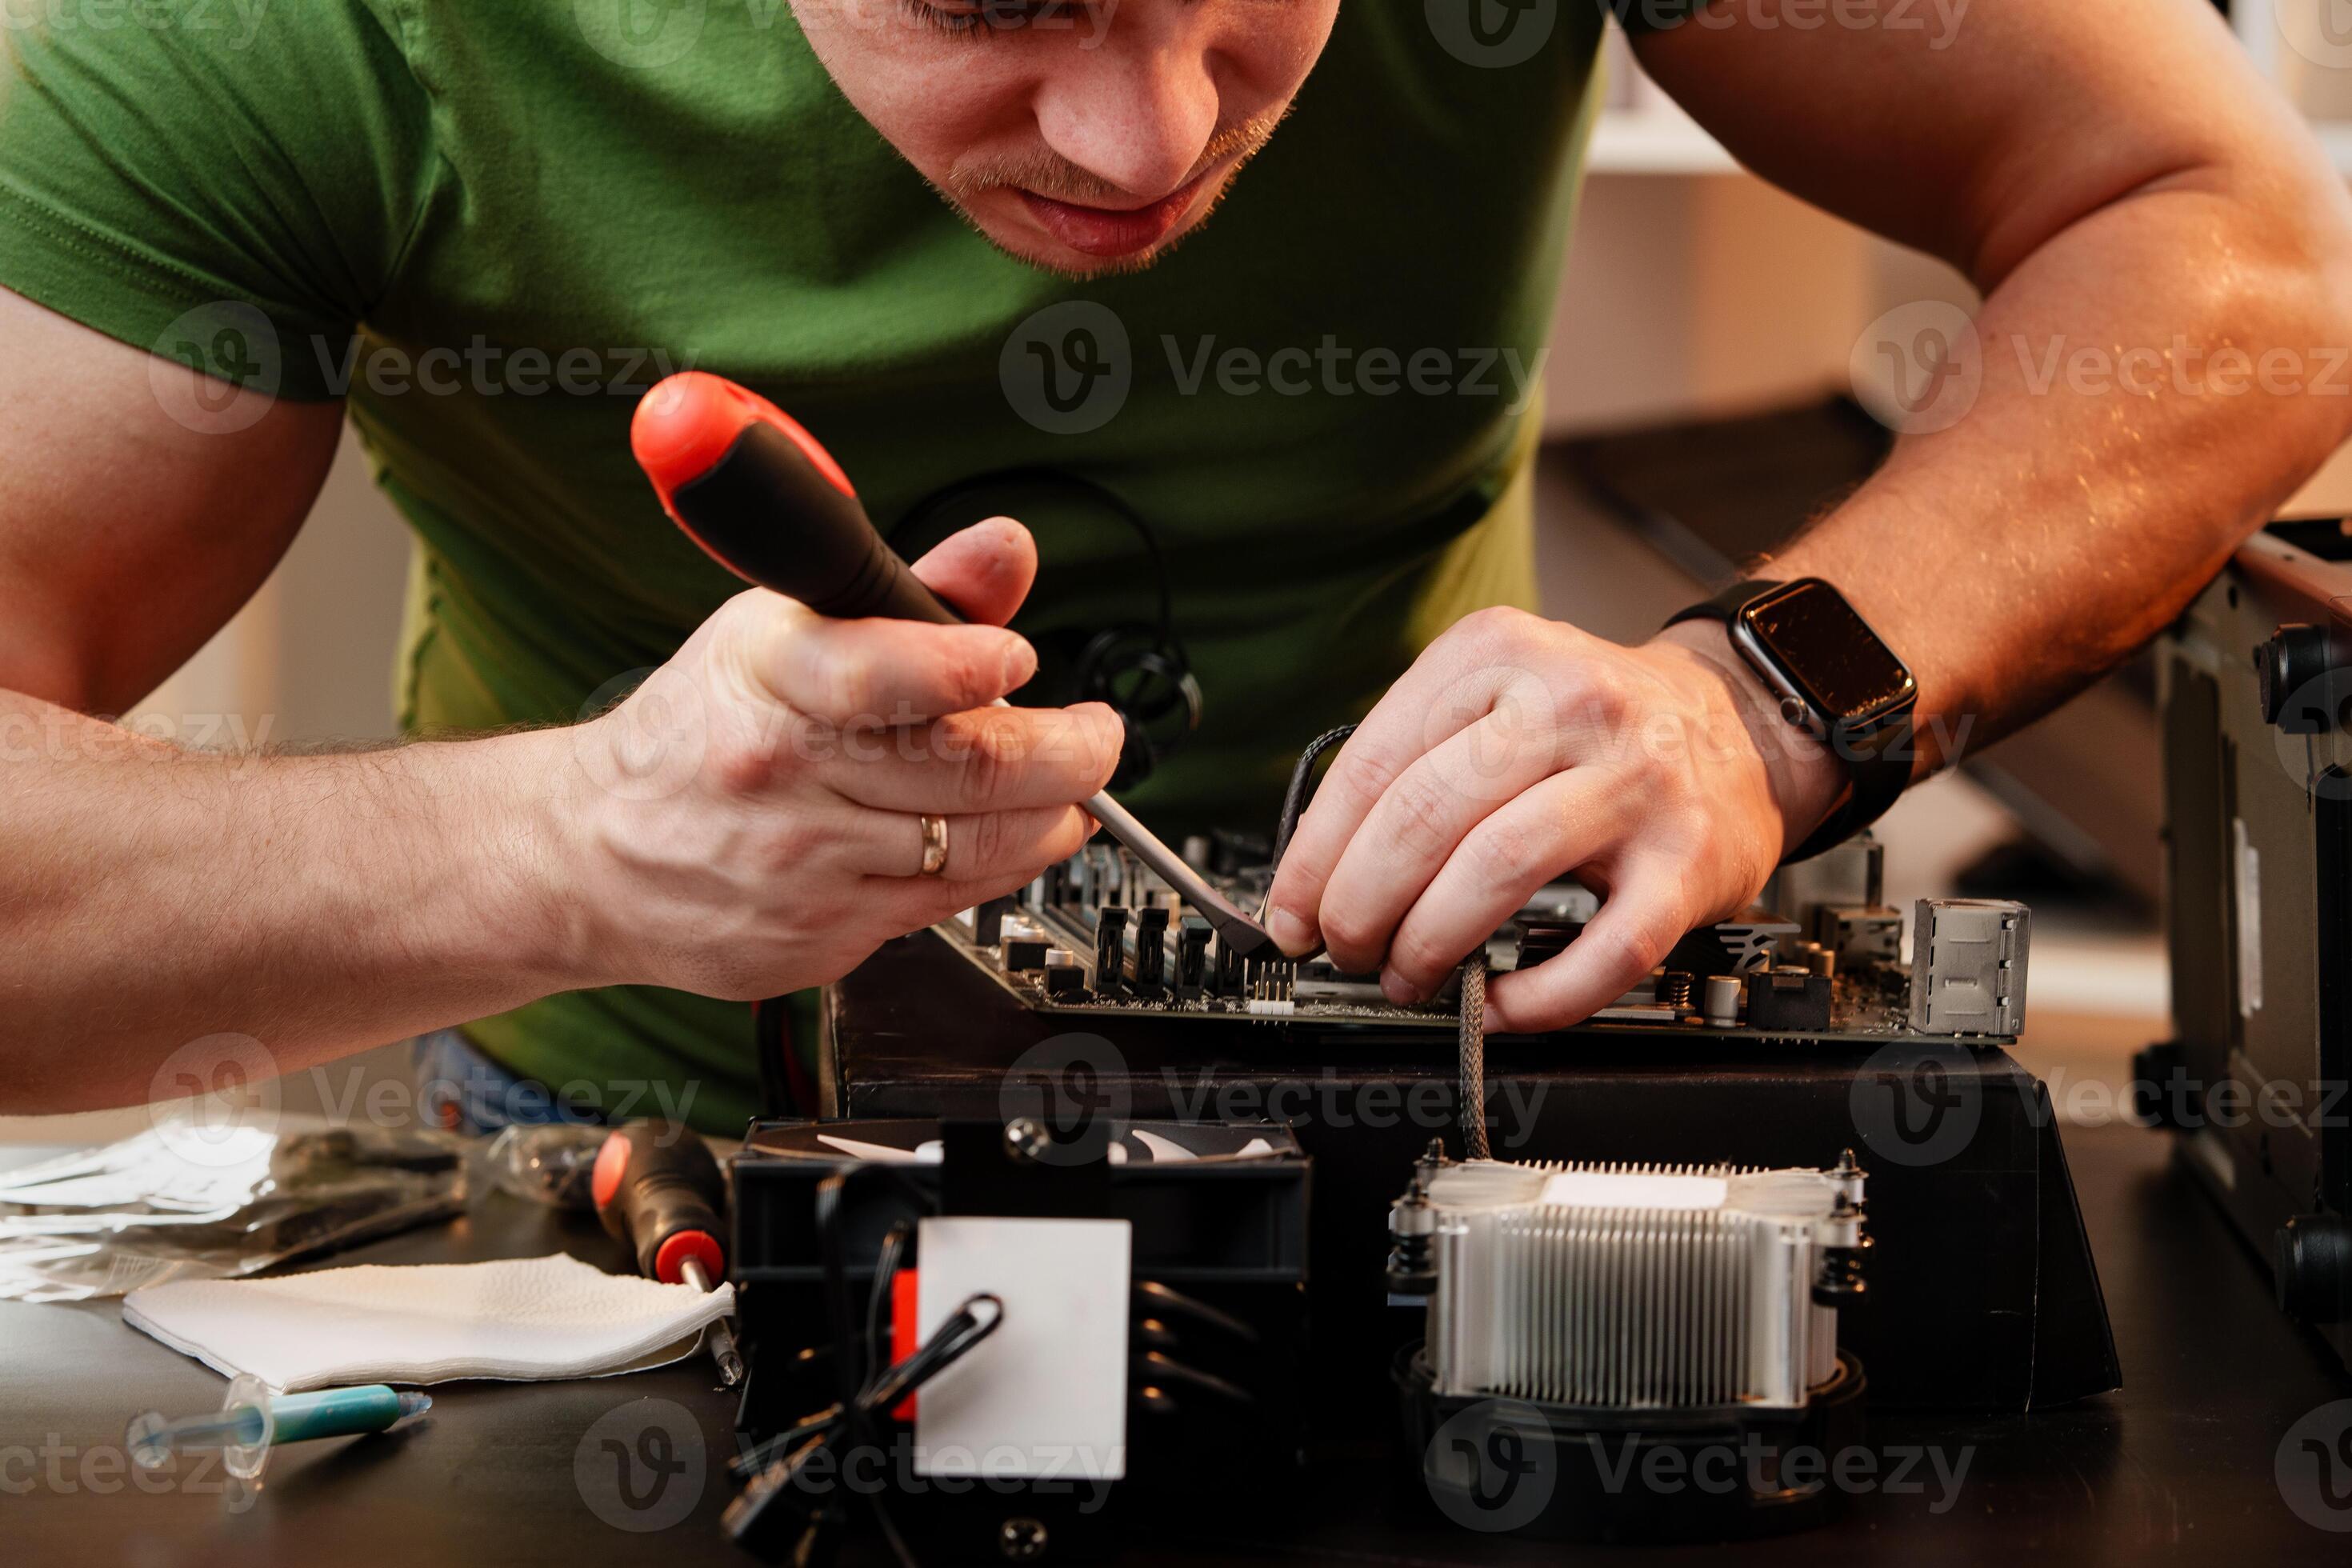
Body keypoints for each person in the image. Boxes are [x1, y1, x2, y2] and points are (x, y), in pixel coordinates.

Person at [3, 2, 2346, 1130]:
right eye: (989, 2)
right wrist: (573, 848)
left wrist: (1758, 694)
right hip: (639, 1176)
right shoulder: (250, 25)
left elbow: (2239, 249)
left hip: (1447, 1121)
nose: (1150, 135)